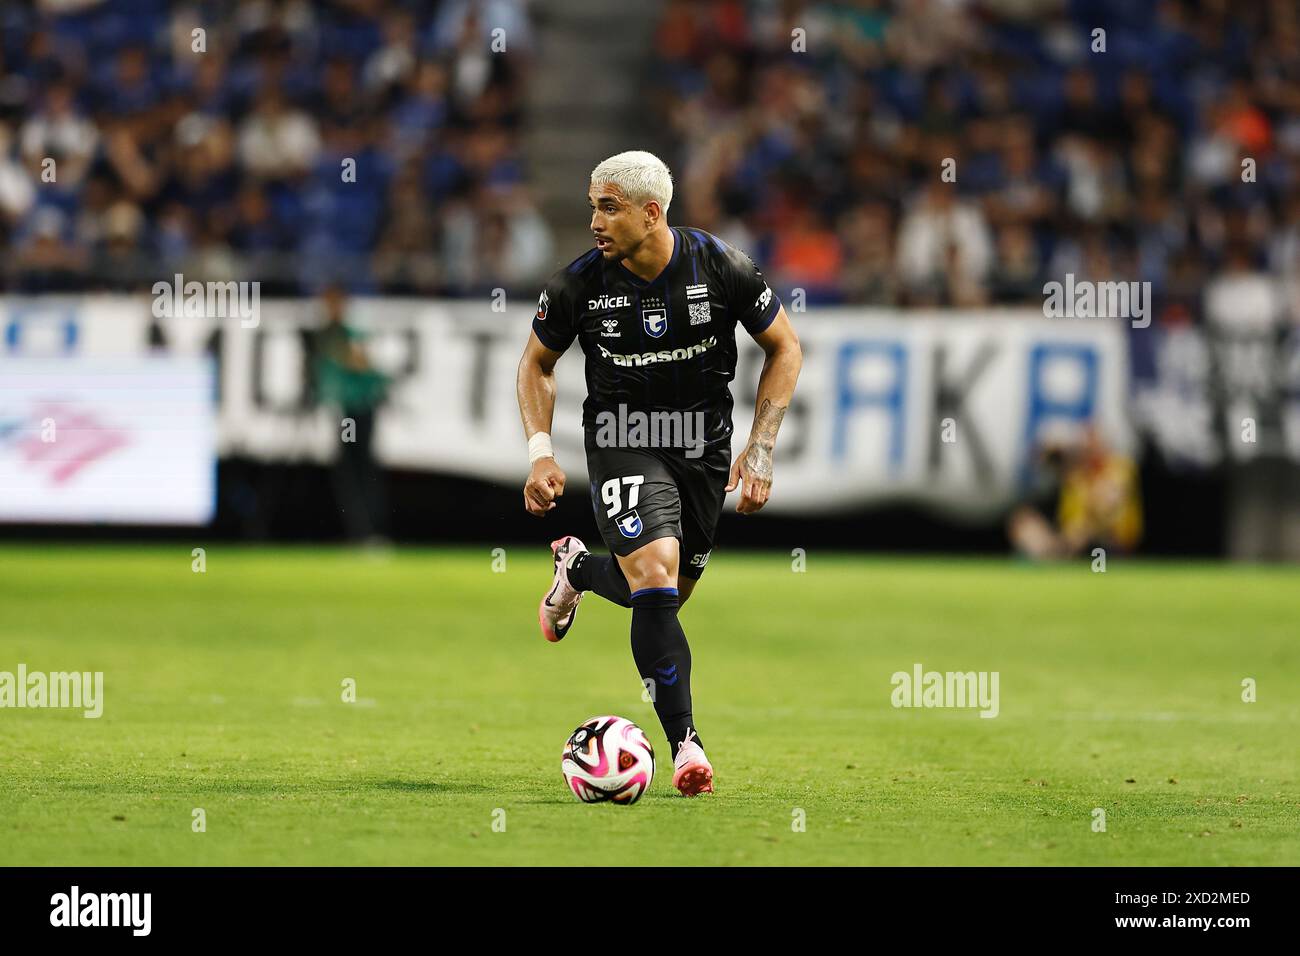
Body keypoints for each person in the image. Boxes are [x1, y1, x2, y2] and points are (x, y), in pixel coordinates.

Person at [515, 151, 802, 797]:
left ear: (652, 213)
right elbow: (536, 363)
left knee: (668, 593)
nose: (594, 220)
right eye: (593, 205)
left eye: (608, 207)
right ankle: (685, 746)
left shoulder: (720, 266)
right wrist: (540, 451)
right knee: (655, 573)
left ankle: (579, 570)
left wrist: (760, 449)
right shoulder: (578, 285)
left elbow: (785, 346)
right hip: (623, 439)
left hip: (703, 447)